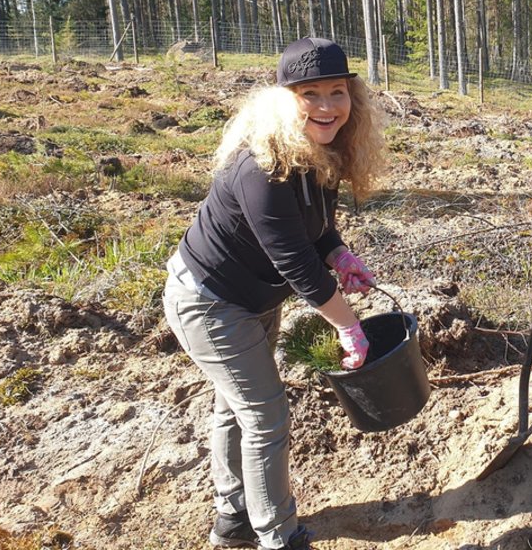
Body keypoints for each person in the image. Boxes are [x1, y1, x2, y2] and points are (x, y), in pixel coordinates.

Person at [162, 37, 386, 550]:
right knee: (265, 415)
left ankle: (233, 517)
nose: (327, 106)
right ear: (283, 99)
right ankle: (278, 536)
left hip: (253, 297)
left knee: (235, 407)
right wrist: (348, 325)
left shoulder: (322, 152)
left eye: (338, 91)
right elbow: (295, 263)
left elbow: (315, 231)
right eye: (310, 93)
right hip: (209, 301)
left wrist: (339, 253)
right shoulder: (261, 167)